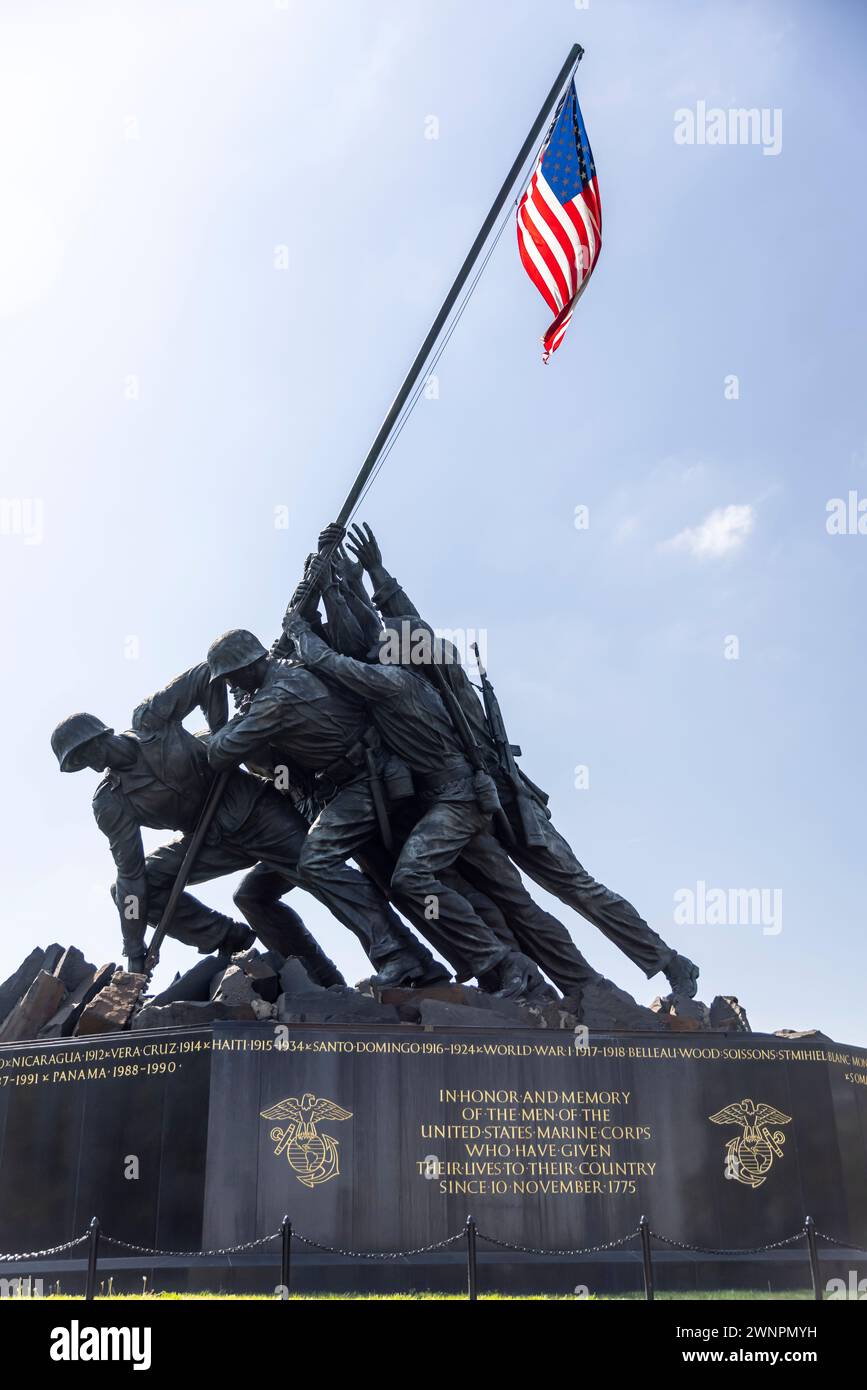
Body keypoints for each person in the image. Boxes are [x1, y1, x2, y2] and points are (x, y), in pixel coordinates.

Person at [343, 522, 701, 998]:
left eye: (387, 651)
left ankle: (669, 962)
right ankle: (574, 989)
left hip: (509, 800)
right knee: (517, 904)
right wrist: (349, 583)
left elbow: (419, 631)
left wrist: (378, 575)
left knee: (576, 887)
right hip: (469, 804)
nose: (379, 659)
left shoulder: (447, 684)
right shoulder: (412, 693)